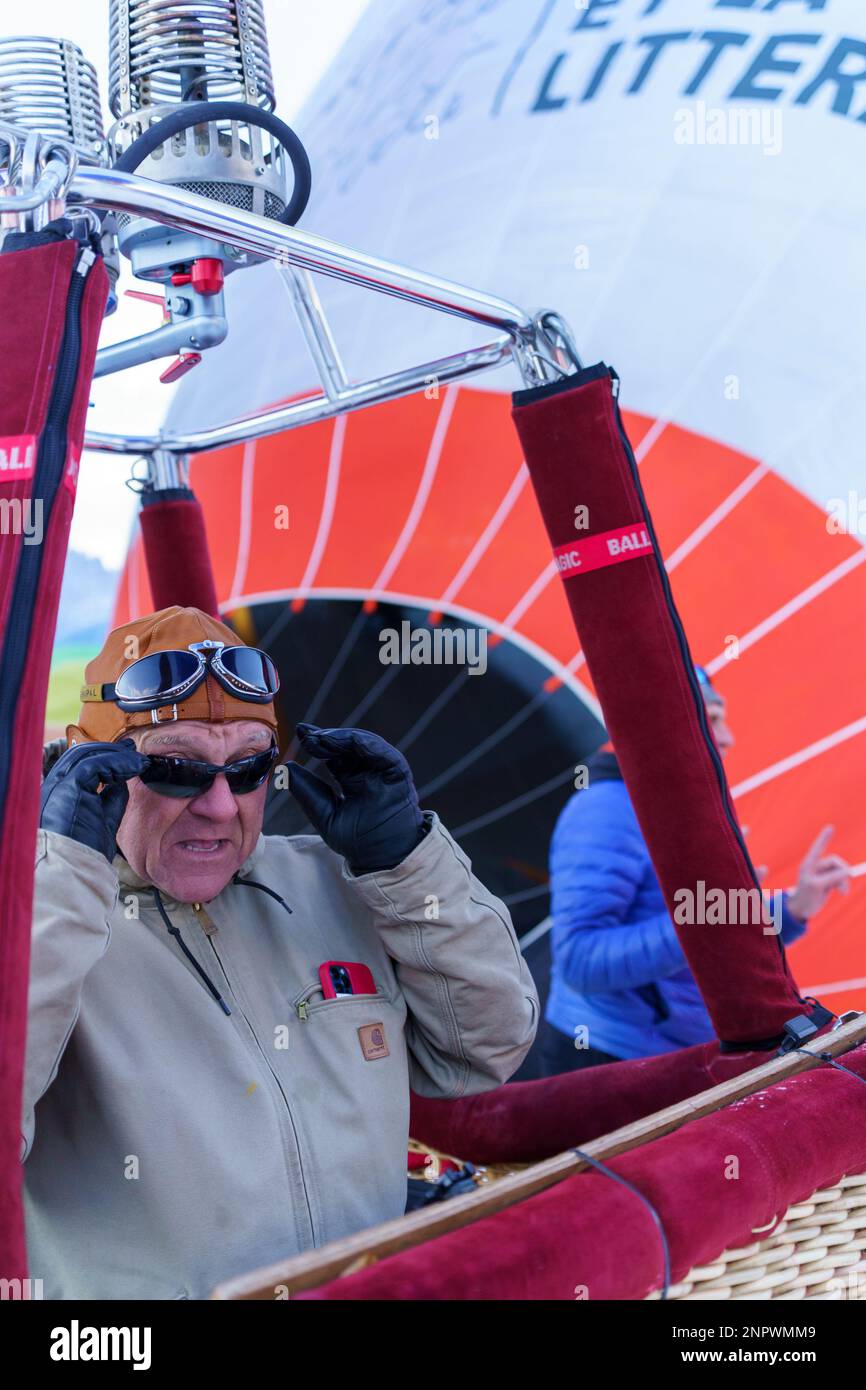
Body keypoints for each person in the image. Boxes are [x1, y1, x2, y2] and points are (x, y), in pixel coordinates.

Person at [27, 605, 538, 1300]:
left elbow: (484, 1049)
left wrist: (407, 863)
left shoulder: (336, 882)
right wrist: (58, 879)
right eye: (176, 769)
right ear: (94, 772)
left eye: (247, 769)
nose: (217, 805)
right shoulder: (37, 919)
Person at [541, 666, 850, 1075]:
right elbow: (581, 961)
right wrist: (707, 917)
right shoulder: (606, 809)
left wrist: (793, 907)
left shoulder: (680, 807)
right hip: (605, 1058)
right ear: (670, 722)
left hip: (677, 1053)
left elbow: (710, 923)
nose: (728, 737)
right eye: (713, 718)